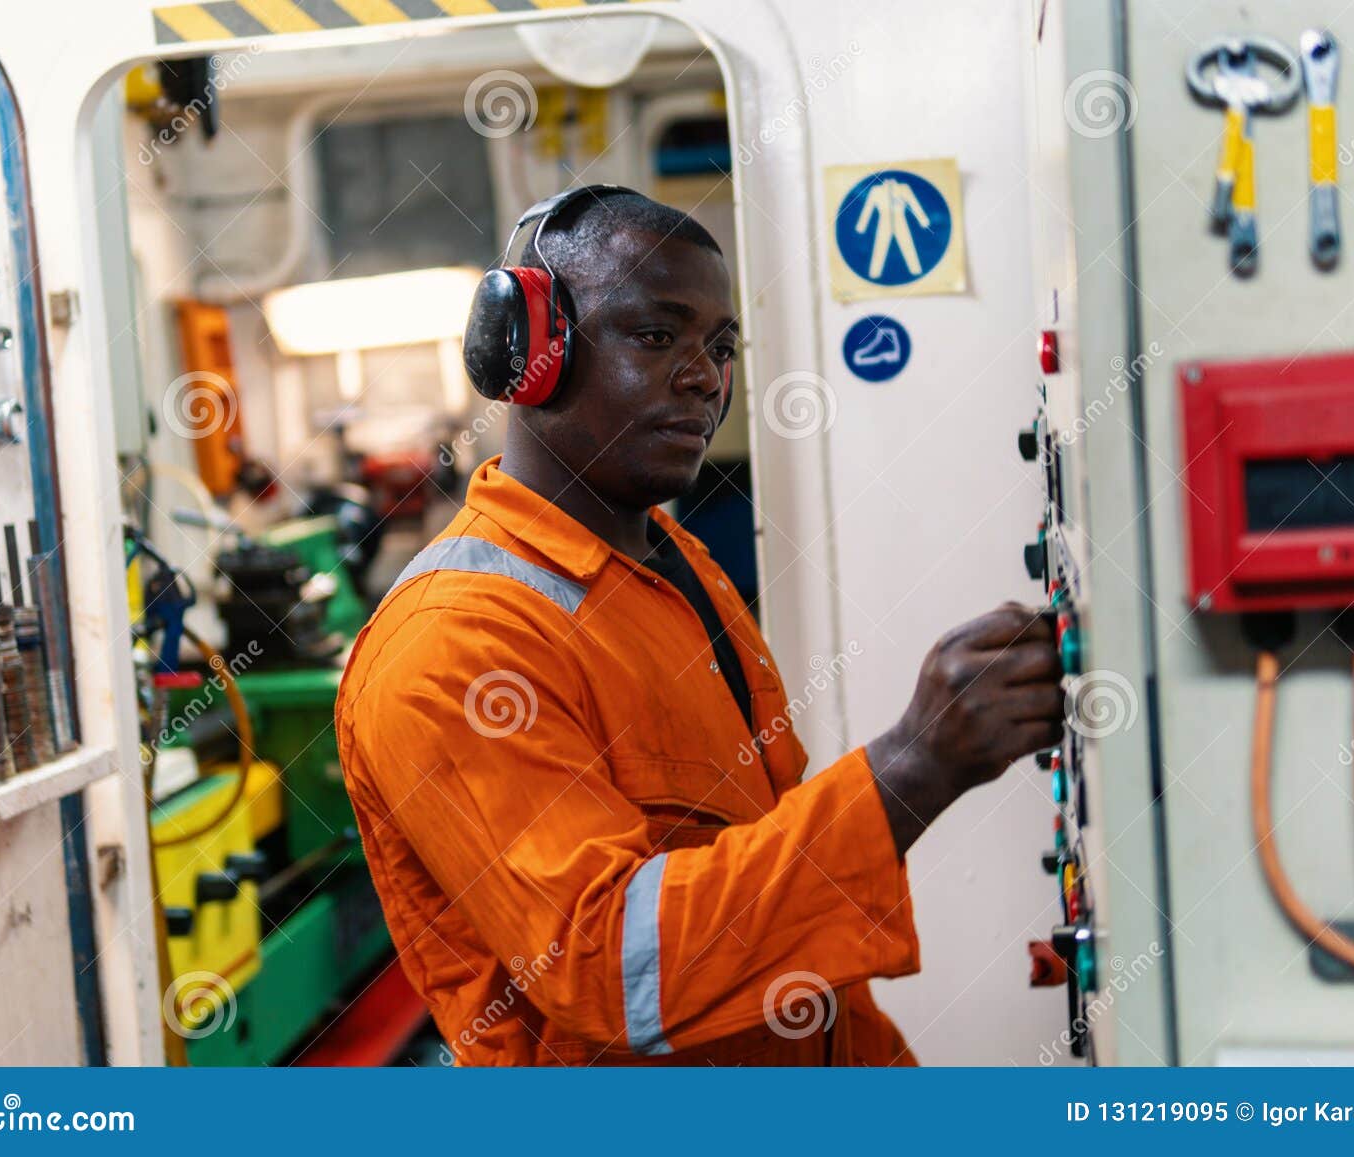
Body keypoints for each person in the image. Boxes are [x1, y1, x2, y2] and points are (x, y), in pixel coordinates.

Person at [336, 187, 1064, 1065]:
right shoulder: (455, 642)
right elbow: (611, 969)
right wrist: (912, 765)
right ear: (529, 352)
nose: (705, 377)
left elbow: (757, 877)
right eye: (656, 336)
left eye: (721, 347)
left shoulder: (667, 562)